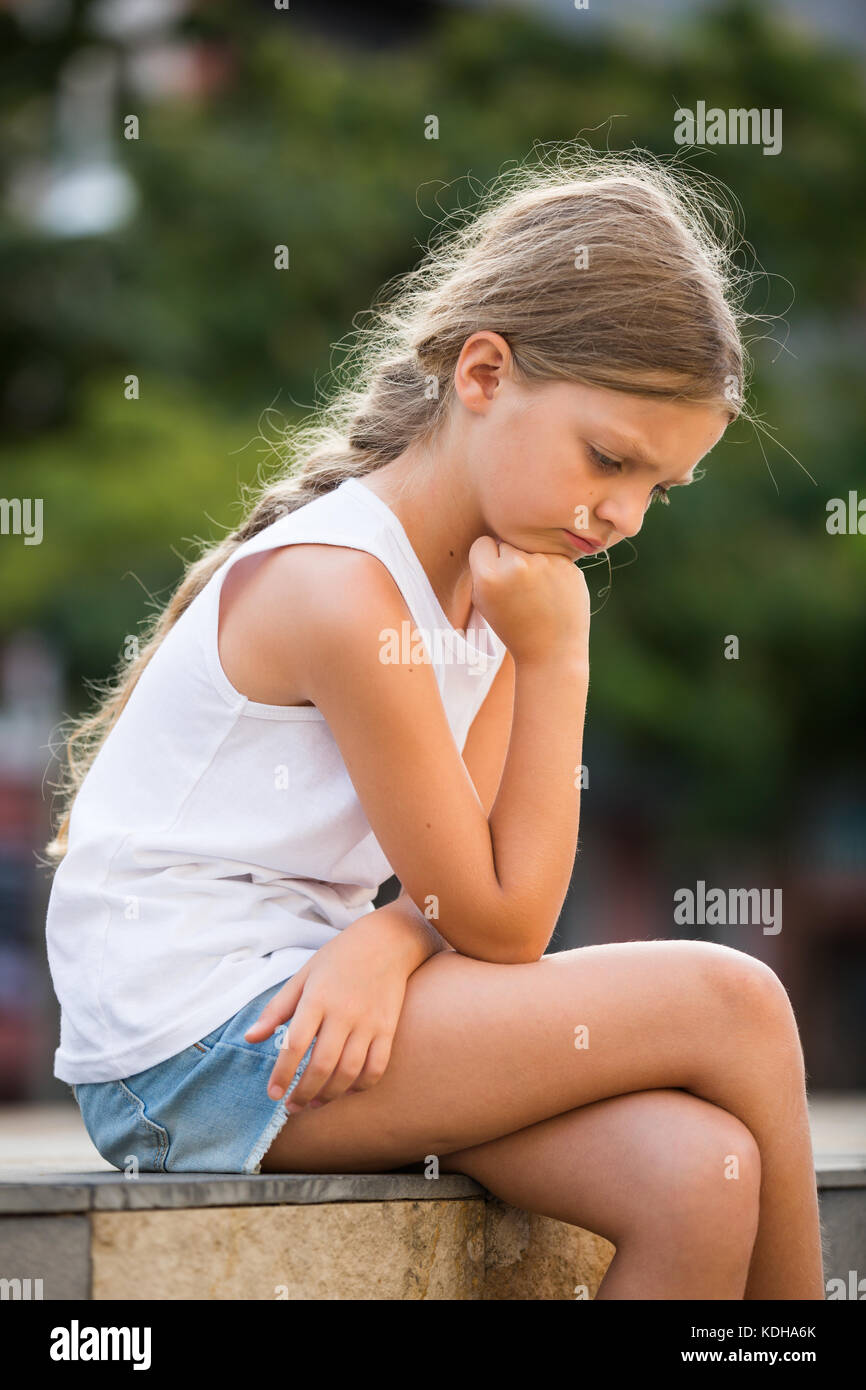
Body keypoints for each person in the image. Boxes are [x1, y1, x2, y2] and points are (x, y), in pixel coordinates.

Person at [44, 149, 825, 1299]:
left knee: (694, 1173)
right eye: (606, 459)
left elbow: (464, 893)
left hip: (309, 999)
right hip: (190, 1047)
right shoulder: (344, 591)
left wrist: (387, 937)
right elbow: (507, 922)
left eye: (657, 487)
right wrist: (556, 656)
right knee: (735, 1000)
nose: (620, 513)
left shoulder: (490, 577)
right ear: (482, 371)